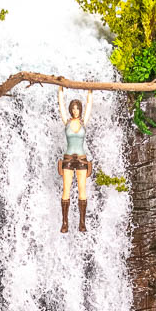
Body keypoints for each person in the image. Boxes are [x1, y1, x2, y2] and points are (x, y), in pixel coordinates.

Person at [57, 86, 93, 233]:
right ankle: (65, 223)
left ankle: (82, 223)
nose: (75, 110)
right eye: (73, 108)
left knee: (82, 190)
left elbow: (90, 105)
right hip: (68, 160)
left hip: (82, 160)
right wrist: (60, 89)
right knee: (66, 190)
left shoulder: (84, 122)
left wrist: (90, 92)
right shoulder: (66, 122)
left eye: (78, 108)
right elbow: (61, 106)